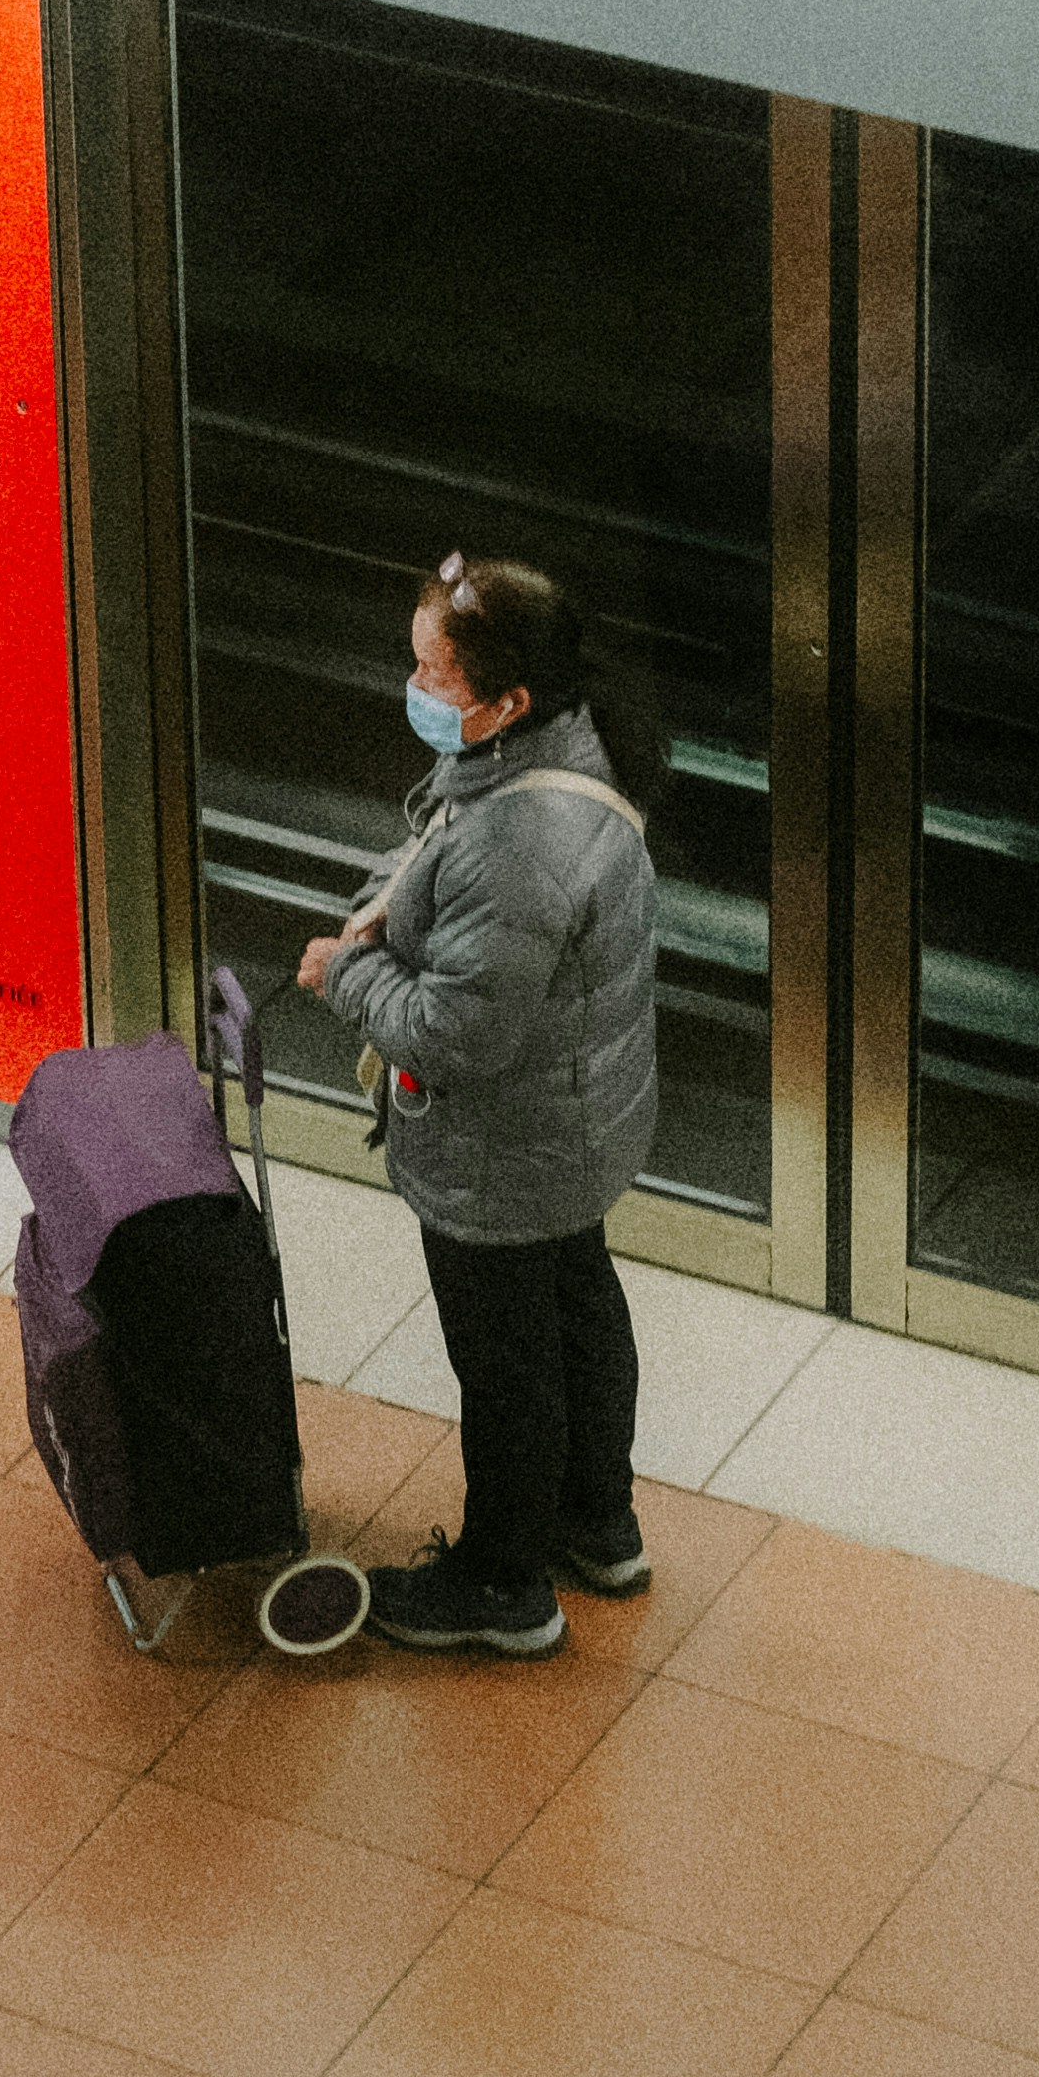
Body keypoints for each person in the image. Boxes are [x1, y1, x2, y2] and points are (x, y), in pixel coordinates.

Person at [297, 545, 663, 1656]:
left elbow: (458, 1033)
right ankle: (597, 1521)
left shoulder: (520, 842)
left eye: (432, 673)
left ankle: (505, 1585)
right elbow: (447, 869)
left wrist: (342, 972)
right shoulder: (558, 753)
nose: (413, 687)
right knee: (576, 1310)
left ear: (504, 698)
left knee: (506, 1363)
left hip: (502, 1149)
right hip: (575, 1126)